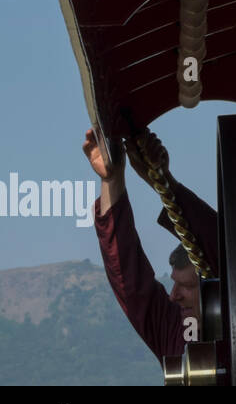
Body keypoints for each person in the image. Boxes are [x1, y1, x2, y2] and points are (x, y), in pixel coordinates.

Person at [84, 126, 219, 361]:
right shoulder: (181, 329)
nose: (174, 295)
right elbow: (129, 278)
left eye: (188, 286)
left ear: (218, 287)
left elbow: (221, 245)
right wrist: (111, 179)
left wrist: (163, 181)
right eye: (176, 284)